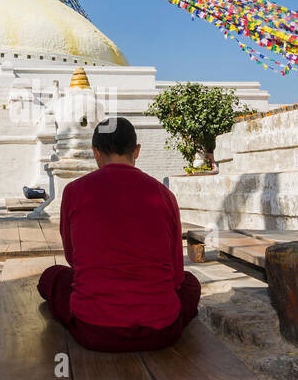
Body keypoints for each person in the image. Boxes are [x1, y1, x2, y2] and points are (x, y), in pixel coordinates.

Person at [37, 116, 201, 352]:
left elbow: (72, 259)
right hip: (161, 330)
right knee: (190, 284)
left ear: (95, 152)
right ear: (137, 151)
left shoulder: (74, 191)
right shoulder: (164, 194)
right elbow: (176, 274)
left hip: (94, 330)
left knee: (52, 277)